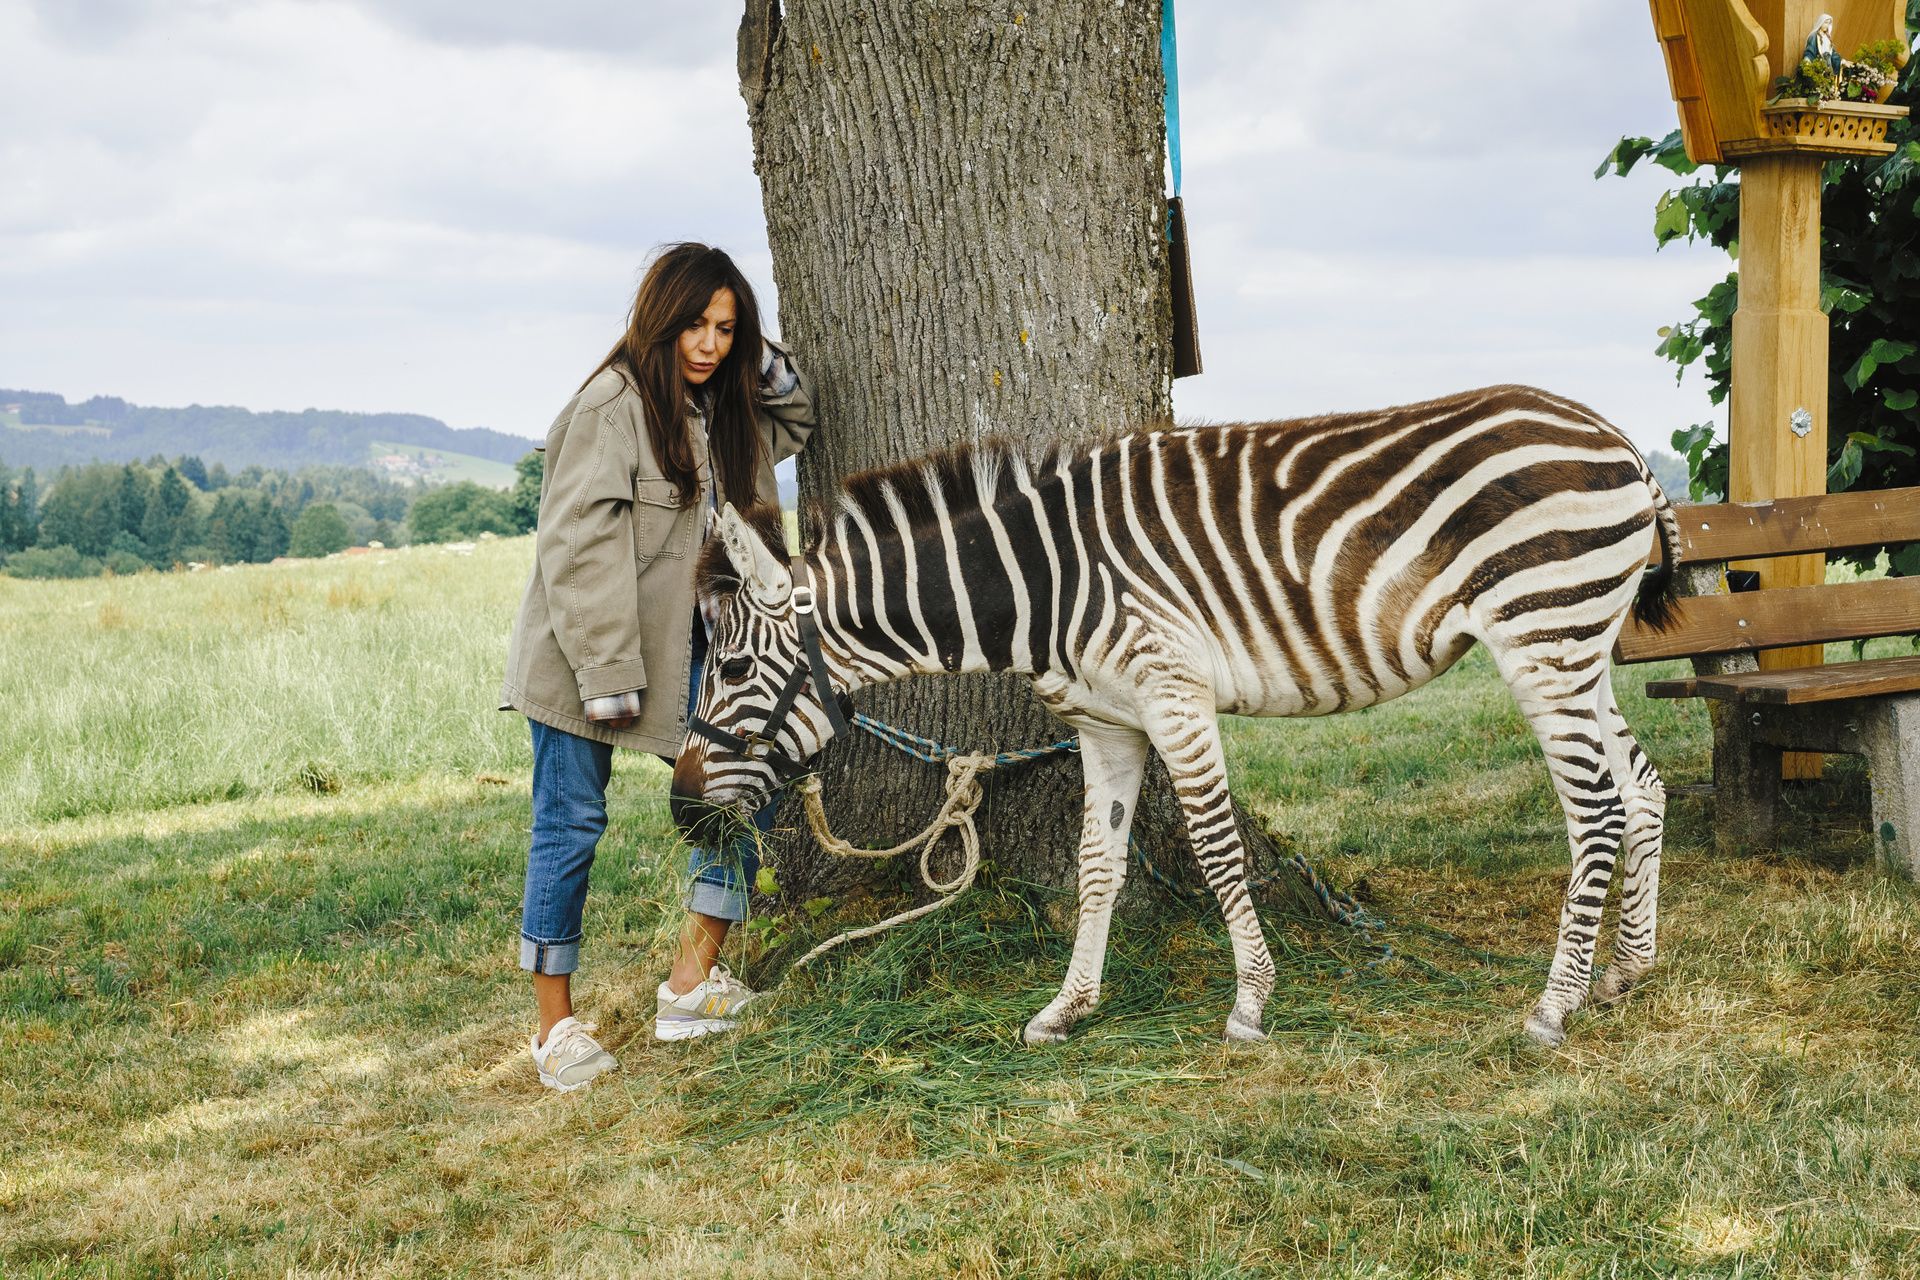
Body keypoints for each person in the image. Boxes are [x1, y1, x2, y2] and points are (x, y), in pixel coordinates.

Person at [500, 242, 816, 1091]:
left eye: (725, 329)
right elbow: (576, 552)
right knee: (569, 825)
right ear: (658, 318)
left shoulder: (727, 411)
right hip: (582, 657)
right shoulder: (609, 407)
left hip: (699, 652)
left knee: (734, 794)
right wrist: (607, 673)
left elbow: (800, 412)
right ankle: (553, 1028)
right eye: (694, 326)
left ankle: (690, 983)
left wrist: (758, 356)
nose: (709, 345)